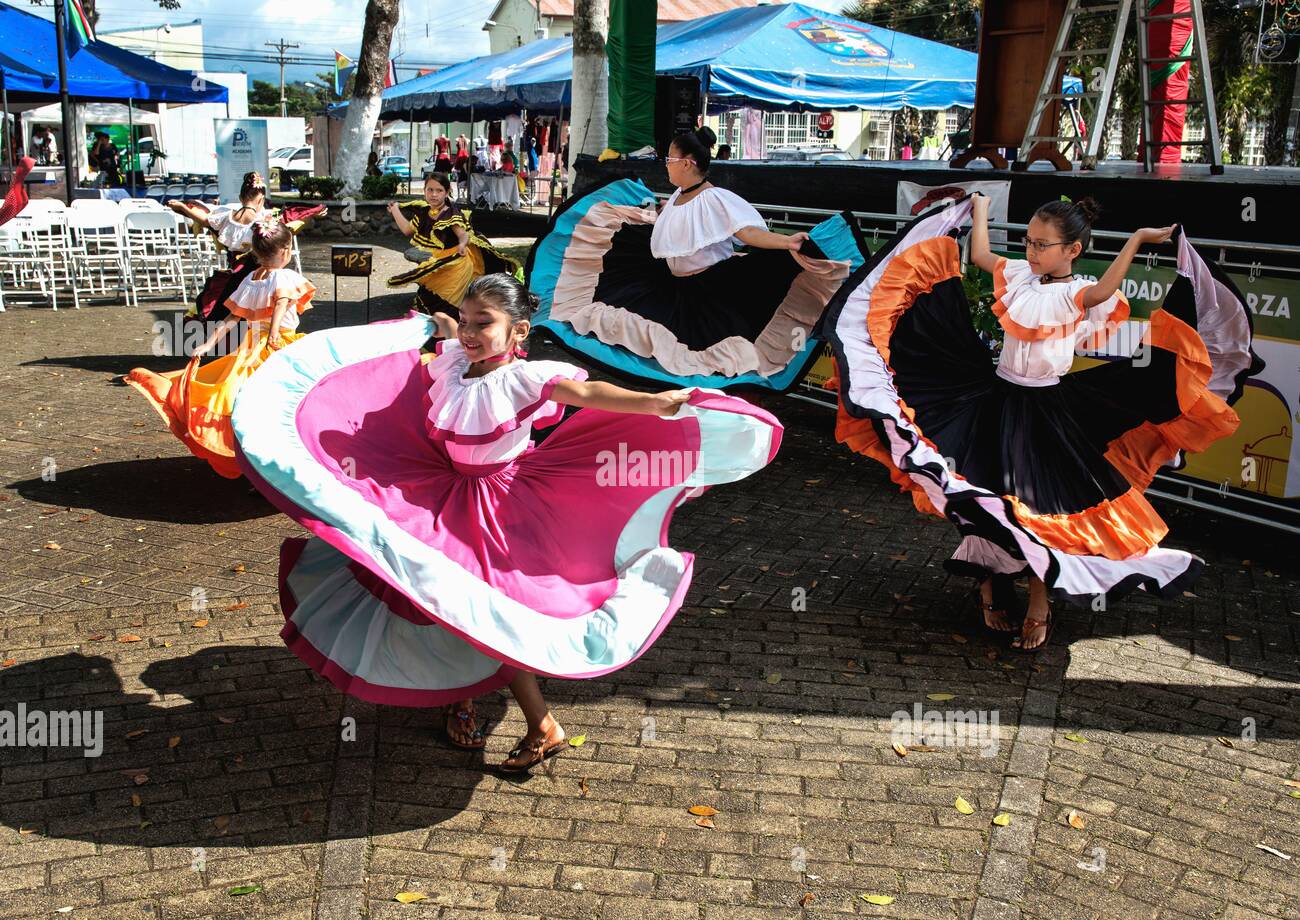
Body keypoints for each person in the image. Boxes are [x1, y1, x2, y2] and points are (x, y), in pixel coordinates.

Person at [230, 274, 784, 771]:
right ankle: (467, 699)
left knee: (489, 608)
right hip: (439, 488)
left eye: (484, 324)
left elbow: (590, 393)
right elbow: (437, 335)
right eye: (468, 320)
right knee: (429, 593)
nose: (470, 332)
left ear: (518, 331)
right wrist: (420, 325)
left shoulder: (524, 378)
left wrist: (657, 403)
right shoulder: (453, 360)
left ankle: (538, 721)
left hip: (497, 505)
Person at [820, 192, 1257, 651]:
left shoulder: (1076, 292)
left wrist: (1137, 240)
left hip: (1047, 412)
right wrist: (981, 209)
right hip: (995, 400)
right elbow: (983, 254)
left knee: (1042, 507)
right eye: (1029, 241)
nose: (1031, 251)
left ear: (1073, 250)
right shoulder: (1020, 277)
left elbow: (1104, 292)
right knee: (981, 493)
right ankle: (989, 587)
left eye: (1043, 244)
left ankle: (1039, 601)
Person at [526, 125, 866, 392]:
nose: (667, 166)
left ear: (688, 163)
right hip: (672, 284)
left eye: (670, 160)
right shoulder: (678, 195)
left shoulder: (717, 198)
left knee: (708, 357)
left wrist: (785, 241)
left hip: (710, 289)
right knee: (619, 313)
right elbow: (676, 232)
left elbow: (746, 233)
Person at [126, 219, 316, 479]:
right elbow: (282, 302)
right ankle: (283, 464)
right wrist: (273, 334)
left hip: (249, 349)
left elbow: (231, 319)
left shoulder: (251, 279)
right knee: (294, 402)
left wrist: (207, 343)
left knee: (244, 400)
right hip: (279, 344)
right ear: (286, 250)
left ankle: (257, 465)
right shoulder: (285, 277)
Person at [169, 171, 322, 322]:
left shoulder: (225, 217)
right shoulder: (265, 221)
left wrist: (184, 209)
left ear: (241, 198)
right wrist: (311, 213)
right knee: (259, 310)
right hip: (259, 273)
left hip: (234, 274)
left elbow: (205, 220)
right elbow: (291, 219)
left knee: (232, 310)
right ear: (261, 200)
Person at [386, 170, 519, 320]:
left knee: (449, 302)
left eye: (439, 190)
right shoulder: (424, 212)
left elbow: (463, 234)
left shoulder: (450, 214)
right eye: (430, 190)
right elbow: (407, 230)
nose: (434, 194)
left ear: (447, 192)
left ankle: (451, 334)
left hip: (456, 264)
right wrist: (395, 210)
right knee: (429, 296)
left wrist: (462, 244)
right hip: (439, 262)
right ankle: (436, 333)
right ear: (424, 191)